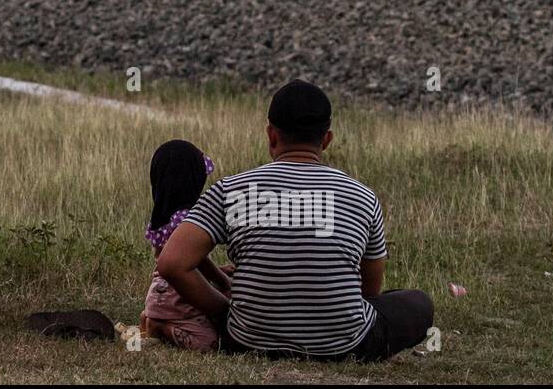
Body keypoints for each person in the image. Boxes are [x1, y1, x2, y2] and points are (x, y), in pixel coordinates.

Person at [156, 80, 434, 361]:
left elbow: (171, 263)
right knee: (418, 303)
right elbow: (369, 291)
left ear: (271, 135)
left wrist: (224, 313)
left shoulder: (231, 190)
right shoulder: (362, 196)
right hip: (343, 347)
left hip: (247, 340)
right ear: (326, 139)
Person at [137, 140, 229, 351]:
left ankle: (151, 317)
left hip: (159, 293)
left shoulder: (161, 217)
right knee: (209, 343)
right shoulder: (188, 219)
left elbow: (164, 258)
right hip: (178, 296)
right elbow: (198, 261)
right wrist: (223, 280)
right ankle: (159, 326)